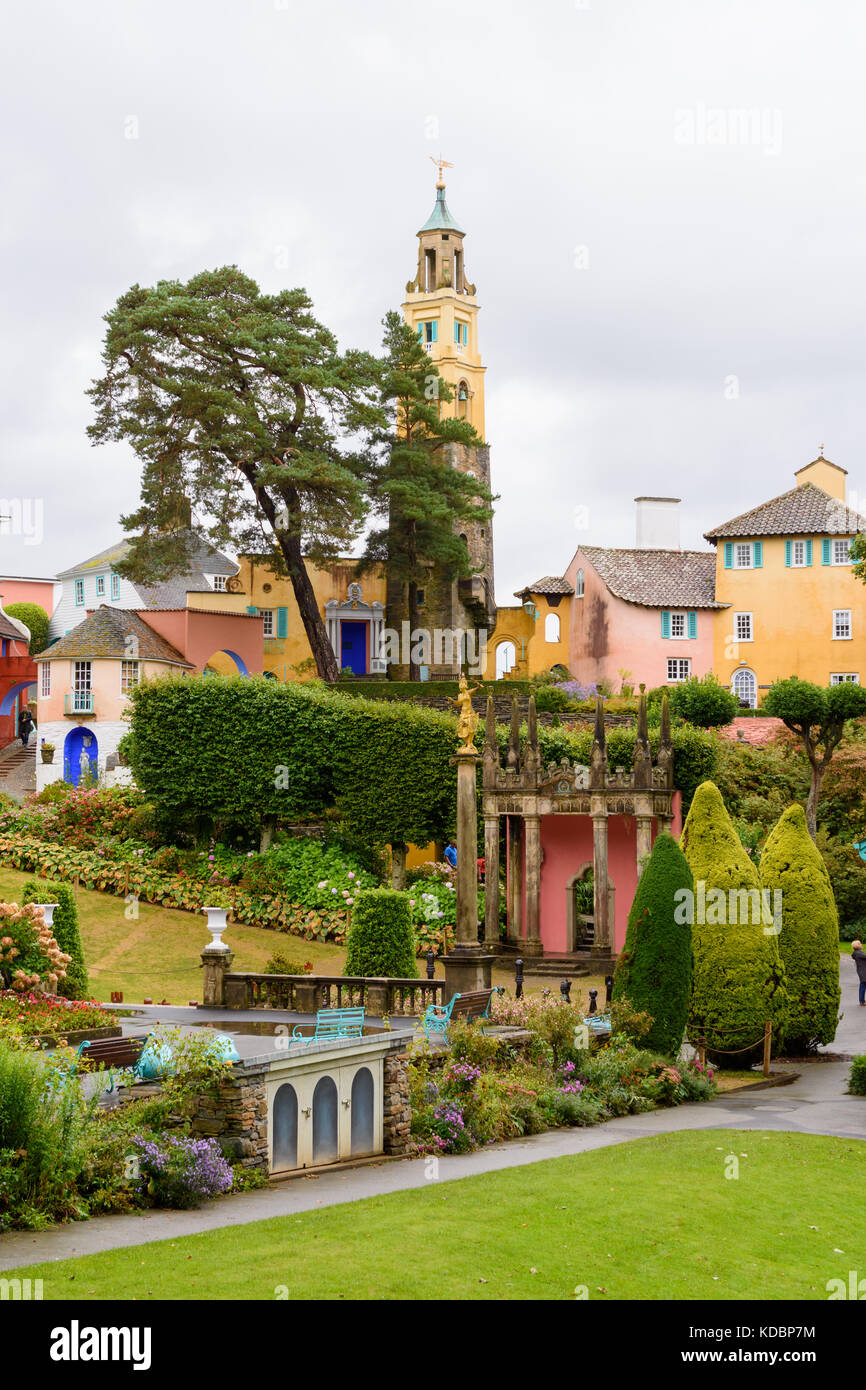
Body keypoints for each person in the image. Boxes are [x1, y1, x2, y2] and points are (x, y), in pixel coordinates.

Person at [851, 940, 866, 1006]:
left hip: (862, 971)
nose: (861, 944)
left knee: (862, 986)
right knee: (862, 986)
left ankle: (862, 1001)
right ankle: (862, 1001)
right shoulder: (858, 953)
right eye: (860, 944)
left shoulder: (857, 953)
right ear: (857, 946)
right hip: (863, 972)